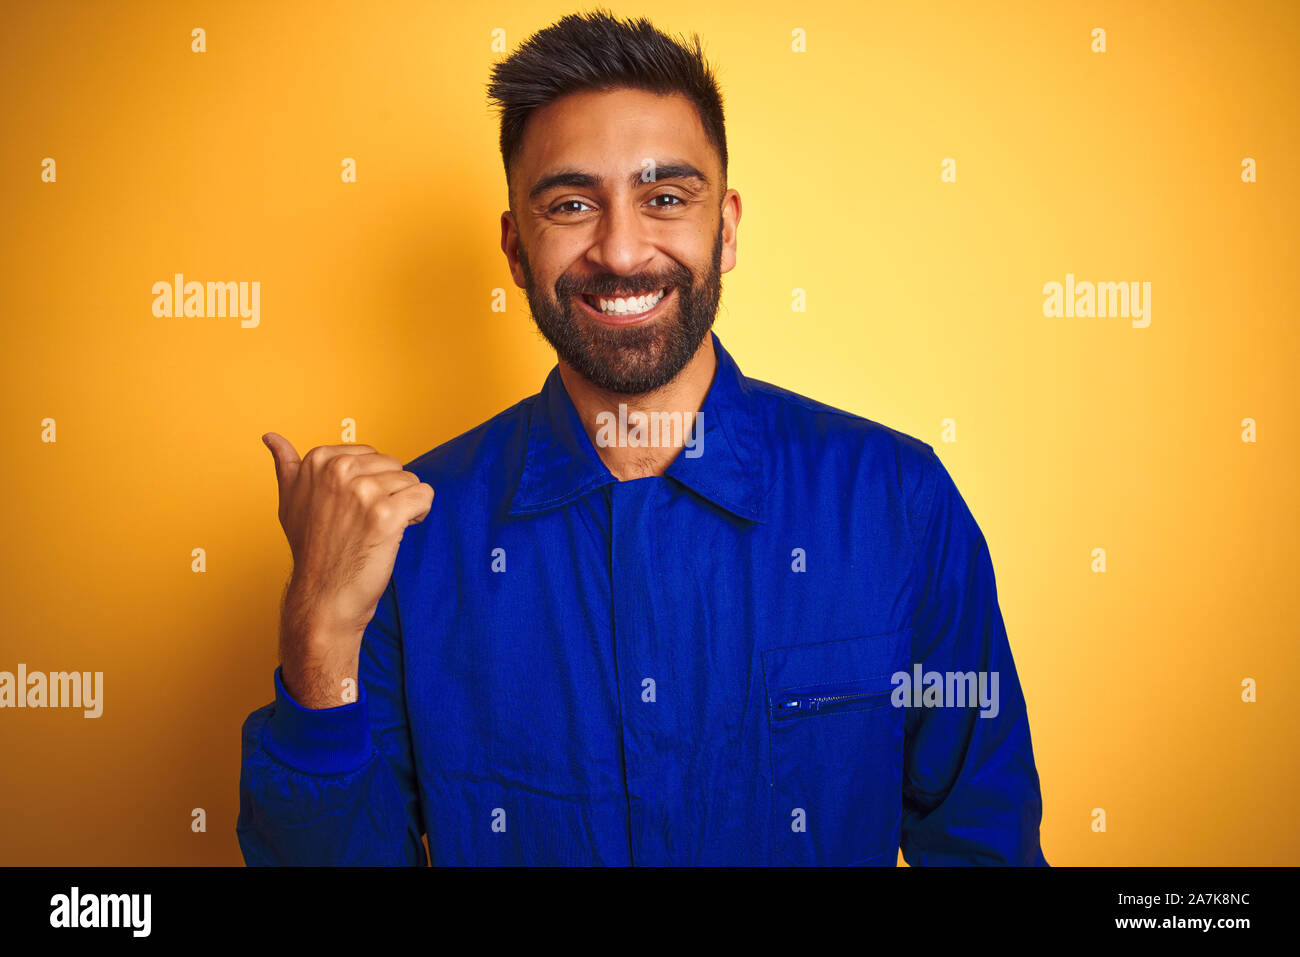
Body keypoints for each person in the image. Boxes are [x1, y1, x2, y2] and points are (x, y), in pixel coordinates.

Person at [237, 9, 1048, 866]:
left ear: (726, 228)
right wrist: (318, 634)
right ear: (516, 247)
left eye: (665, 197)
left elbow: (983, 841)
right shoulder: (407, 542)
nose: (621, 250)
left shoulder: (898, 503)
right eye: (573, 203)